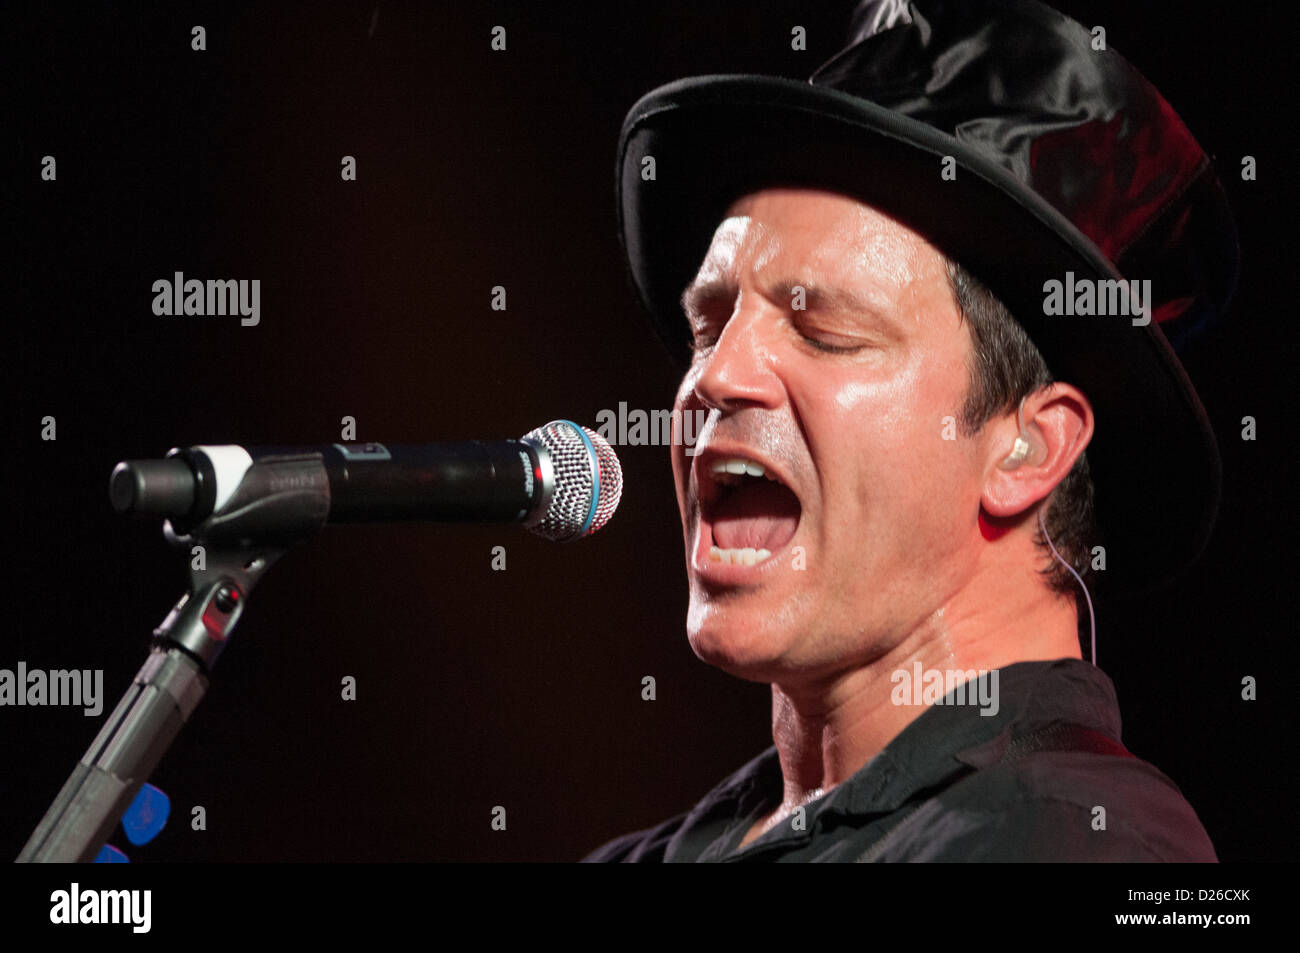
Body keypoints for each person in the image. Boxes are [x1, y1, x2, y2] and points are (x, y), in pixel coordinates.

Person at [584, 0, 1236, 861]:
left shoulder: (1074, 843)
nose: (715, 376)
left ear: (1026, 447)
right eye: (710, 324)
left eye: (824, 332)